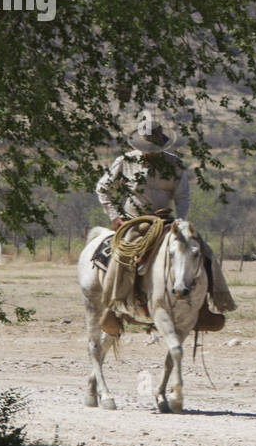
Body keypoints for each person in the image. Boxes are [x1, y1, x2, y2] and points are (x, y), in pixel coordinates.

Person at [95, 120, 231, 331]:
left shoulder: (174, 164)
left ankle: (204, 306)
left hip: (167, 220)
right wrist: (116, 217)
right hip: (135, 221)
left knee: (203, 251)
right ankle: (113, 308)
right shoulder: (126, 162)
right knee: (121, 255)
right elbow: (103, 189)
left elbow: (183, 196)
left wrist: (181, 219)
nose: (150, 152)